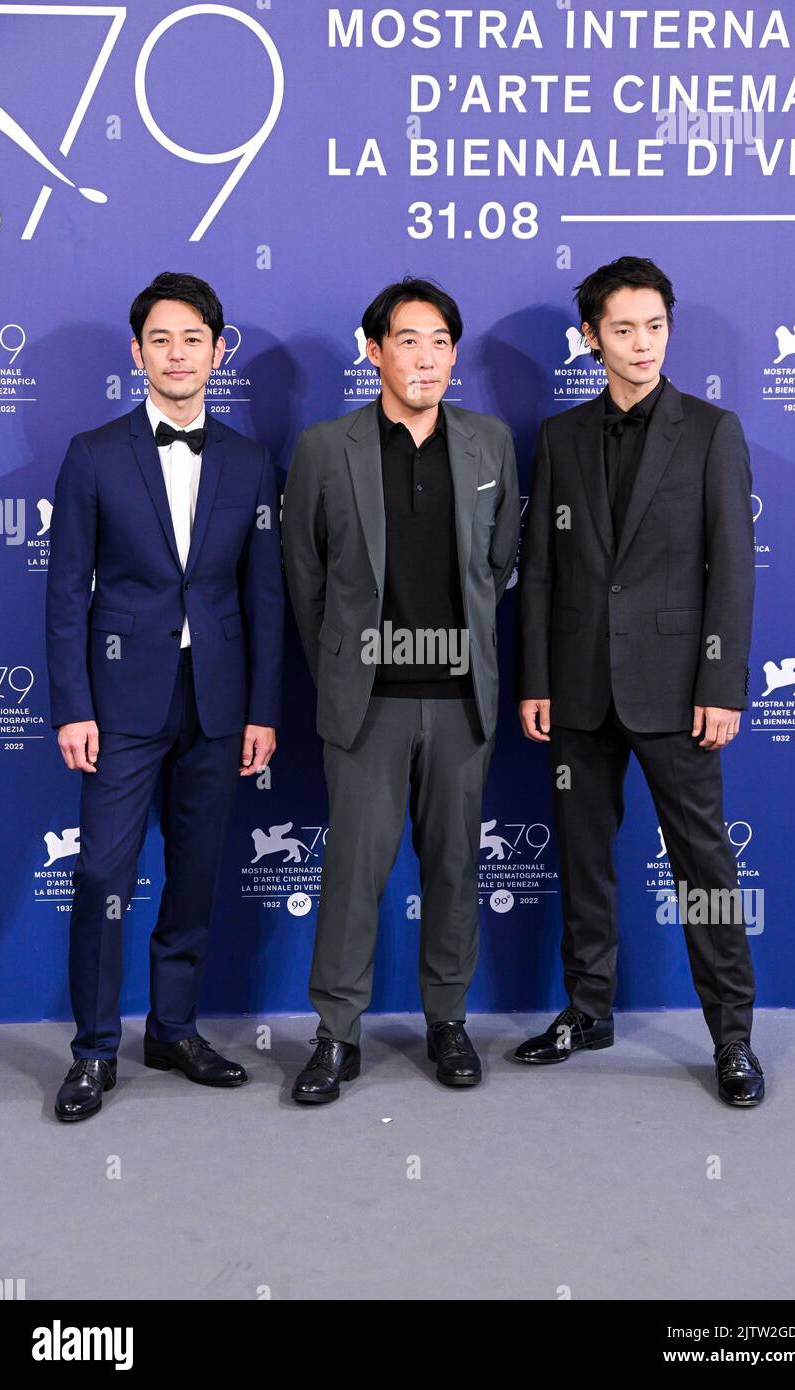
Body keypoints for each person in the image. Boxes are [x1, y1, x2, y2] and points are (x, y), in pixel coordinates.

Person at [515, 256, 763, 1106]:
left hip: (678, 690)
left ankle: (732, 1035)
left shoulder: (711, 430)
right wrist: (538, 679)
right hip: (578, 688)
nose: (643, 343)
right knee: (584, 861)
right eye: (623, 329)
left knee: (705, 866)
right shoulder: (560, 437)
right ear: (591, 338)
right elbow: (541, 573)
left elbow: (732, 569)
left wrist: (722, 685)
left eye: (655, 325)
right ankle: (587, 1012)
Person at [46, 271, 283, 1121]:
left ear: (219, 352)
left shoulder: (250, 462)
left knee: (195, 874)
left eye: (193, 339)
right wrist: (73, 705)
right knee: (103, 873)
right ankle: (93, 1050)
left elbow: (265, 600)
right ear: (137, 351)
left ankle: (174, 1029)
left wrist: (262, 710)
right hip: (119, 704)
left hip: (217, 706)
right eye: (161, 340)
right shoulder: (94, 454)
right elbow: (66, 590)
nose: (177, 355)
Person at [282, 277, 520, 1102]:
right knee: (351, 872)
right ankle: (336, 1035)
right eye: (409, 340)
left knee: (455, 866)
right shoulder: (324, 448)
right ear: (375, 349)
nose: (427, 357)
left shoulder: (491, 443)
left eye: (441, 342)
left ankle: (447, 1022)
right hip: (368, 702)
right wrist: (346, 672)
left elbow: (499, 565)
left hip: (462, 699)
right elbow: (306, 581)